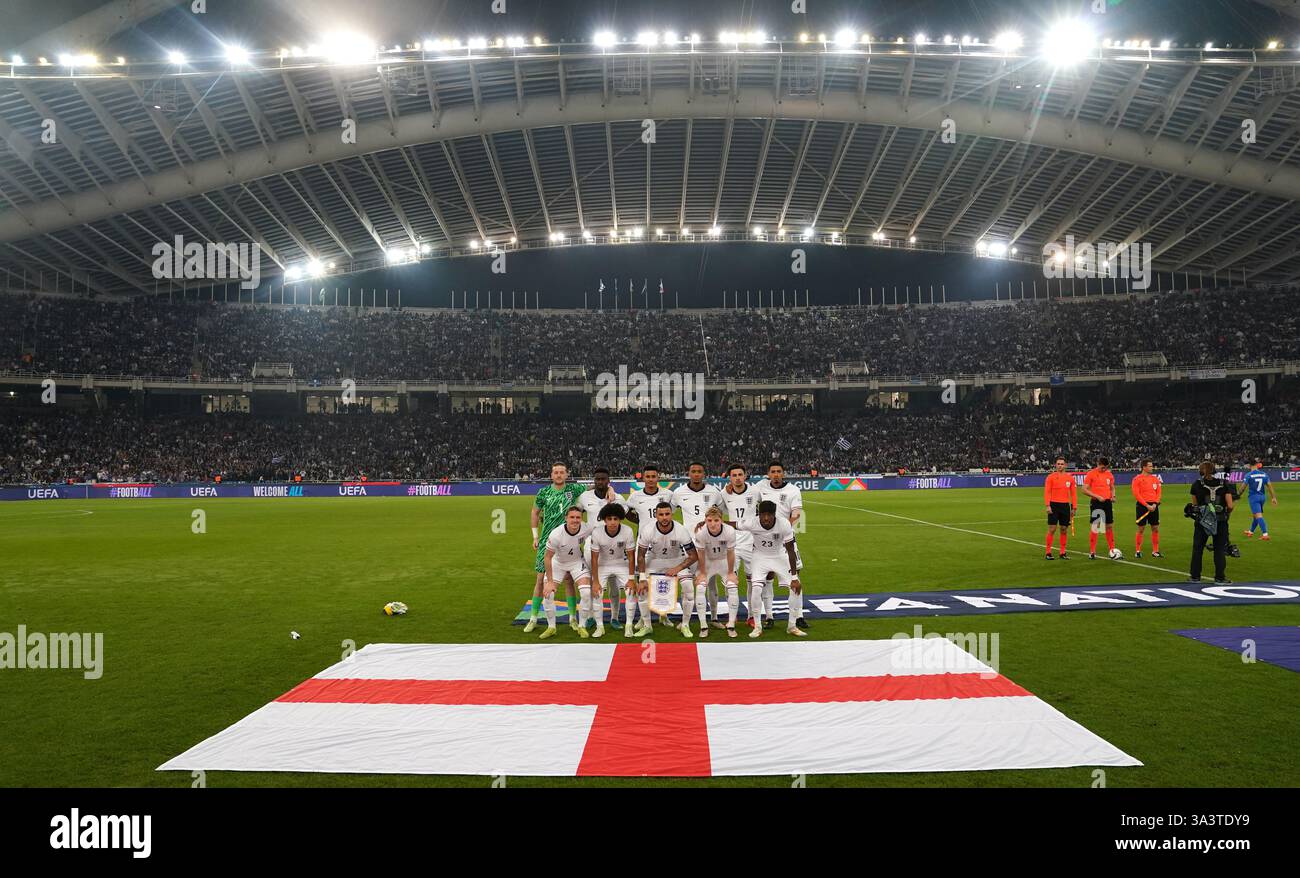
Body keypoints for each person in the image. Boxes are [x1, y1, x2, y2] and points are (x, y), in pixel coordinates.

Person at [525, 462, 586, 634]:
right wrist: (535, 536)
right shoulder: (543, 492)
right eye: (555, 472)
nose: (558, 475)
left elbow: (593, 491)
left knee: (568, 579)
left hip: (569, 540)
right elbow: (535, 512)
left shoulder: (574, 490)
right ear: (551, 475)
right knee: (540, 579)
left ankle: (573, 618)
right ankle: (533, 618)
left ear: (567, 475)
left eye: (562, 472)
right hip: (546, 541)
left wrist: (610, 490)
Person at [670, 462, 725, 628]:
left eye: (699, 471)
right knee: (687, 583)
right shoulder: (678, 492)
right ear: (688, 473)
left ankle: (714, 618)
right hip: (688, 545)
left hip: (710, 543)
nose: (696, 474)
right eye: (693, 471)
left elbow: (721, 513)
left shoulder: (713, 492)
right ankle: (685, 619)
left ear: (703, 474)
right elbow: (668, 512)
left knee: (712, 582)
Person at [635, 502, 699, 637]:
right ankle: (647, 625)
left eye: (667, 514)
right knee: (641, 589)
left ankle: (685, 625)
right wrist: (641, 578)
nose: (664, 517)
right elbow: (640, 555)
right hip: (654, 561)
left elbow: (694, 556)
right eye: (661, 514)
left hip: (676, 560)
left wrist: (678, 568)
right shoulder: (648, 530)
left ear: (672, 514)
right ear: (656, 515)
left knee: (688, 587)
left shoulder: (680, 530)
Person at [755, 461, 806, 629]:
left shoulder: (793, 490)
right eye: (773, 472)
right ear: (768, 474)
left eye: (779, 471)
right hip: (766, 540)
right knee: (767, 576)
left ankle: (798, 616)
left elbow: (797, 514)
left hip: (785, 538)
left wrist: (785, 530)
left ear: (783, 473)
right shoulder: (760, 486)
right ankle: (769, 616)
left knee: (795, 575)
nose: (776, 474)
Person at [588, 503, 646, 638]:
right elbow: (594, 559)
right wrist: (595, 581)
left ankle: (629, 626)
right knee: (597, 593)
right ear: (604, 520)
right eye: (609, 519)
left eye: (615, 519)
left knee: (631, 592)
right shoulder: (597, 532)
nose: (613, 522)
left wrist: (631, 579)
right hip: (603, 564)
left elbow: (631, 557)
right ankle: (600, 627)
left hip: (621, 564)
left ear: (620, 519)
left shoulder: (627, 531)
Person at [539, 508, 596, 640]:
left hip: (577, 562)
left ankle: (582, 626)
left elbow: (600, 532)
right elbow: (547, 557)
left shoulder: (586, 528)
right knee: (548, 594)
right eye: (572, 517)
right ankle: (551, 627)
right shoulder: (556, 534)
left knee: (586, 593)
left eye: (578, 517)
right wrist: (551, 581)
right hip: (558, 563)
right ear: (566, 518)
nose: (575, 520)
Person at [577, 467, 623, 624]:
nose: (600, 482)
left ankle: (615, 617)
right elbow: (576, 514)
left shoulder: (617, 497)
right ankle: (591, 616)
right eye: (597, 479)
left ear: (608, 481)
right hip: (592, 543)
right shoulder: (584, 497)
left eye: (603, 479)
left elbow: (624, 515)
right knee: (592, 581)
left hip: (613, 544)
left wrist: (612, 492)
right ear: (594, 481)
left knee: (613, 584)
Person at [687, 506, 739, 638]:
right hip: (708, 561)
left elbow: (731, 553)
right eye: (709, 520)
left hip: (724, 561)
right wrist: (703, 573)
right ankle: (703, 625)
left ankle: (731, 625)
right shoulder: (701, 533)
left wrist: (731, 572)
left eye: (716, 520)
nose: (712, 524)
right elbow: (701, 553)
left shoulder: (729, 531)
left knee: (732, 587)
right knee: (700, 587)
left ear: (721, 520)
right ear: (705, 520)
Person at [721, 463, 759, 624]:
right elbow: (718, 510)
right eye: (734, 475)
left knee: (753, 580)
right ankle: (732, 614)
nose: (737, 478)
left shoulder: (755, 491)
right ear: (730, 478)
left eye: (740, 474)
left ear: (745, 475)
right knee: (730, 580)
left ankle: (751, 616)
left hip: (752, 542)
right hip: (732, 543)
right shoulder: (723, 493)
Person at [1189, 461, 1235, 584]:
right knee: (1219, 549)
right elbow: (1230, 505)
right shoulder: (1223, 483)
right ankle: (1220, 577)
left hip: (1202, 521)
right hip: (1220, 521)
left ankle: (1195, 576)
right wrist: (1226, 514)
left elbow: (1195, 505)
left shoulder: (1196, 485)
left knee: (1198, 549)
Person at [1082, 456, 1118, 560]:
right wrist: (1097, 496)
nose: (1104, 469)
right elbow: (1084, 489)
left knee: (1109, 526)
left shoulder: (1109, 474)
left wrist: (1113, 496)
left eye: (1105, 468)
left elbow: (1112, 487)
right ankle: (1092, 552)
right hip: (1096, 502)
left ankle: (1112, 550)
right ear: (1098, 464)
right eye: (1102, 467)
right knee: (1096, 526)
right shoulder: (1091, 474)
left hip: (1107, 503)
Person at [1043, 456, 1077, 560]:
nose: (1060, 466)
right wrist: (1048, 505)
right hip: (1053, 505)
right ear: (1055, 465)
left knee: (1063, 529)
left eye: (1062, 464)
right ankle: (1048, 552)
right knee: (1052, 529)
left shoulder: (1070, 478)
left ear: (1065, 465)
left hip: (1065, 506)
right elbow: (1047, 492)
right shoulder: (1050, 477)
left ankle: (1062, 552)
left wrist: (1074, 507)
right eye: (1058, 464)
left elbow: (1073, 494)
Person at [1131, 458, 1163, 558]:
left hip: (1153, 506)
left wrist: (1155, 504)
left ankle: (1155, 551)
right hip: (1142, 506)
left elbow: (1158, 492)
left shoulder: (1155, 479)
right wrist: (1146, 505)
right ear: (1144, 467)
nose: (1152, 467)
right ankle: (1137, 550)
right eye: (1150, 466)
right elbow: (1136, 494)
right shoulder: (1137, 479)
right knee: (1141, 528)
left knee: (1155, 528)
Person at [1242, 458, 1278, 541]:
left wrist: (1237, 495)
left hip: (1254, 497)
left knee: (1258, 516)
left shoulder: (1249, 475)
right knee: (1255, 515)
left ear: (1250, 465)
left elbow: (1243, 488)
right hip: (1262, 497)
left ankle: (1265, 534)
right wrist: (1273, 498)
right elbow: (1269, 486)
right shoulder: (1264, 474)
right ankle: (1251, 531)